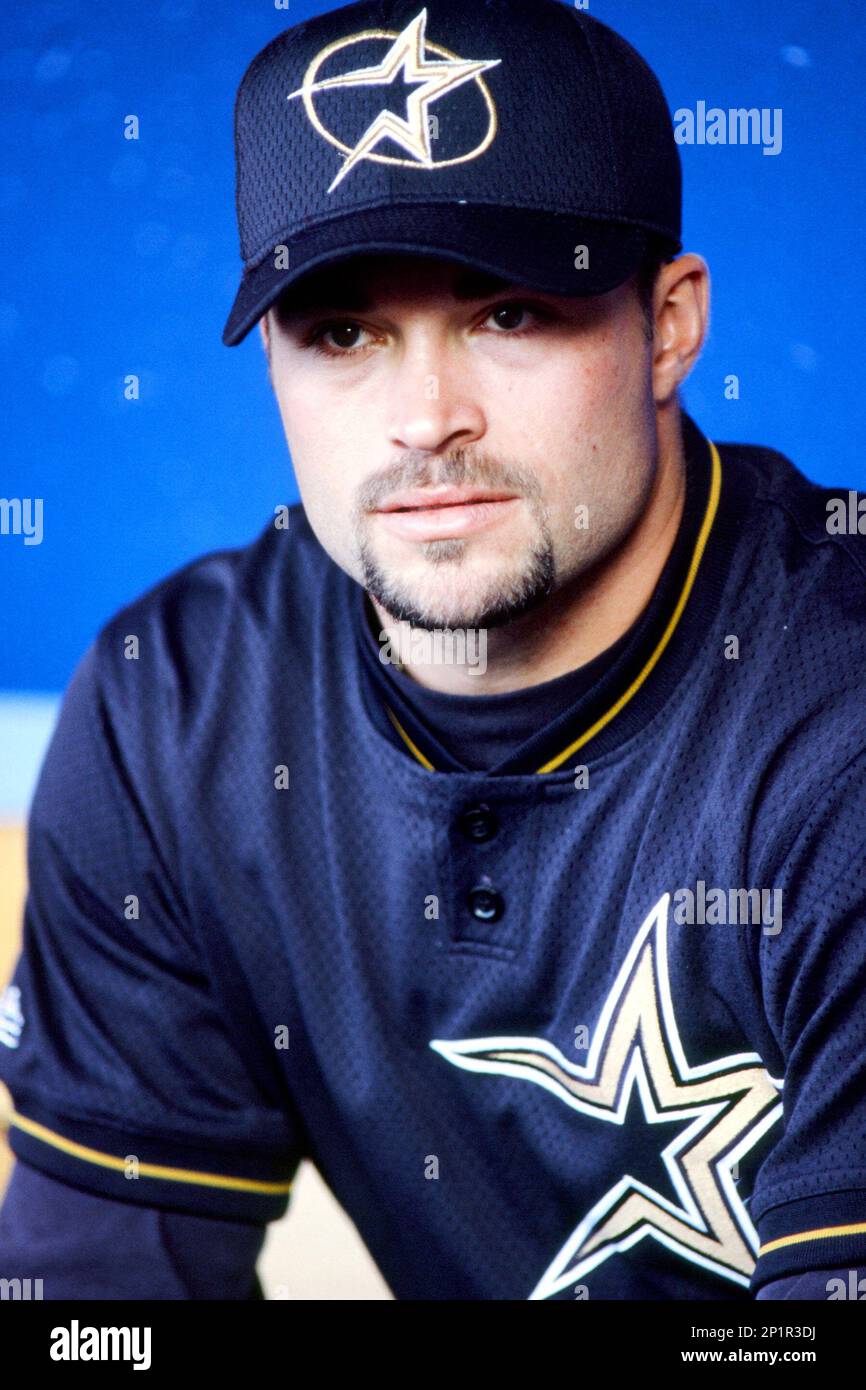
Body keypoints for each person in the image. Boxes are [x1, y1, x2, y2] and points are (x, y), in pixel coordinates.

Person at [1, 0, 863, 1300]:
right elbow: (99, 1313)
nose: (423, 420)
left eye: (509, 315)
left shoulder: (833, 728)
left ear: (670, 325)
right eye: (343, 334)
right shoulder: (172, 708)